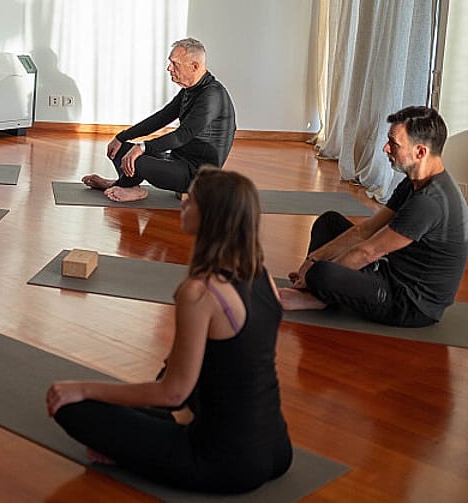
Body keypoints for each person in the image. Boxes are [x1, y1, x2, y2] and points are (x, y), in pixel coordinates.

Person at [47, 168, 292, 494]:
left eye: (193, 200)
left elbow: (173, 394)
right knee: (145, 402)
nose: (184, 203)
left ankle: (127, 454)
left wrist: (82, 388)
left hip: (226, 462)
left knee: (72, 407)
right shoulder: (262, 275)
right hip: (277, 447)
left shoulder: (201, 292)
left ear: (212, 217)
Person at [281, 106, 468, 326]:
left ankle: (318, 296)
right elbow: (366, 230)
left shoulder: (429, 202)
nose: (385, 148)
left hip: (411, 302)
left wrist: (315, 275)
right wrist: (312, 259)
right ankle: (321, 290)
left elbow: (368, 252)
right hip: (392, 269)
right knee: (328, 222)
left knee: (322, 273)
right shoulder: (413, 182)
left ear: (420, 152)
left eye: (394, 144)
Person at [82, 38, 236, 202]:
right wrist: (121, 137)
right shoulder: (190, 90)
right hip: (177, 159)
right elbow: (161, 118)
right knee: (121, 149)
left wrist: (142, 147)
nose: (169, 68)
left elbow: (181, 135)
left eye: (175, 64)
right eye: (170, 62)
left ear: (195, 66)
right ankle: (126, 185)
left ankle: (126, 187)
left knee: (138, 160)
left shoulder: (212, 96)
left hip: (196, 175)